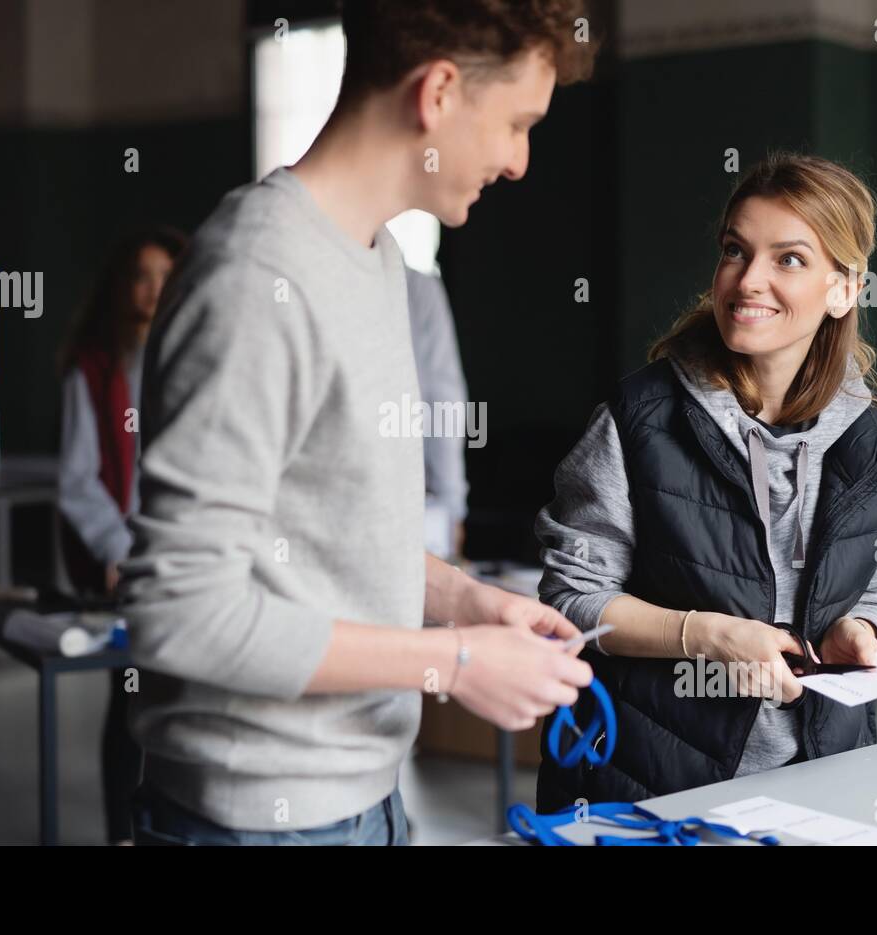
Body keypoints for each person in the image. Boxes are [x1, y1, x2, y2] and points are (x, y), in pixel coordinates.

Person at [123, 0, 598, 845]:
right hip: (256, 821)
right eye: (518, 124)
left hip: (366, 798)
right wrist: (451, 664)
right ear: (439, 93)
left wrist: (464, 602)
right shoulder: (254, 274)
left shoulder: (378, 258)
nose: (520, 162)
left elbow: (325, 530)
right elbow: (180, 610)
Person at [534, 153, 877, 810]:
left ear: (844, 289)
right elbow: (572, 600)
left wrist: (866, 629)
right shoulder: (638, 420)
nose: (748, 280)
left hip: (824, 774)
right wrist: (708, 636)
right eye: (735, 250)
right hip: (646, 781)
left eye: (790, 258)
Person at [56, 225, 187, 844]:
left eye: (166, 277)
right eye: (141, 276)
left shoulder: (195, 357)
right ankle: (119, 833)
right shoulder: (92, 372)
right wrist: (118, 549)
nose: (153, 290)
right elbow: (77, 480)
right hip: (127, 564)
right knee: (128, 701)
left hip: (190, 559)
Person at [406, 266, 470, 559]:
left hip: (410, 504)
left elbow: (444, 402)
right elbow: (444, 399)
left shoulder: (416, 287)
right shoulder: (416, 287)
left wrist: (450, 506)